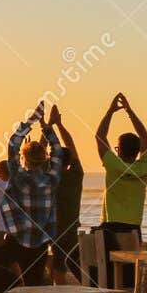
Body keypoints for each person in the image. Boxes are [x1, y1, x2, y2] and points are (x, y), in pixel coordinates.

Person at [0, 103, 64, 293]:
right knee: (33, 288)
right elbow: (58, 151)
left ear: (24, 158)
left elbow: (13, 142)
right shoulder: (52, 178)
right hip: (38, 244)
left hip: (16, 239)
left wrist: (32, 119)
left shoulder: (18, 176)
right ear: (44, 158)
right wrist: (47, 126)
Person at [94, 91, 147, 263]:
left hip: (111, 227)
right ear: (138, 151)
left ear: (118, 150)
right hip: (134, 228)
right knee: (130, 270)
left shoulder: (114, 165)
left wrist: (110, 112)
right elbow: (145, 137)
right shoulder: (145, 166)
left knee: (99, 264)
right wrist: (129, 111)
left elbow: (99, 137)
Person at [47, 104, 83, 283]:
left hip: (54, 230)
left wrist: (48, 125)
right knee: (61, 265)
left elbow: (37, 152)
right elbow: (72, 146)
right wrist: (59, 125)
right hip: (71, 228)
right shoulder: (77, 174)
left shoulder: (50, 176)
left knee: (58, 267)